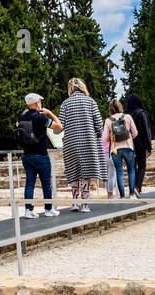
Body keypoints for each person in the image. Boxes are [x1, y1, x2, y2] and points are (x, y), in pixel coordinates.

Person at [58, 78, 107, 212]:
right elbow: (98, 124)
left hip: (71, 142)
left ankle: (74, 202)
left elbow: (61, 125)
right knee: (85, 172)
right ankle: (85, 204)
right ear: (82, 87)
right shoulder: (91, 102)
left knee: (73, 171)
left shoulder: (65, 104)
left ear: (70, 89)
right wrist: (97, 135)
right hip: (88, 142)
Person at [14, 93, 62, 218]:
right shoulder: (40, 118)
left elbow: (17, 125)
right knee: (46, 183)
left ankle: (28, 210)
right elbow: (59, 126)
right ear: (36, 103)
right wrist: (49, 113)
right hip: (41, 155)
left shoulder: (21, 118)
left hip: (27, 155)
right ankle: (48, 209)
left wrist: (25, 113)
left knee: (29, 183)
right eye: (40, 101)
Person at [103, 99, 140, 198]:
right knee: (131, 170)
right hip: (128, 147)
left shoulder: (108, 121)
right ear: (120, 107)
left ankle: (122, 196)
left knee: (119, 172)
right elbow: (135, 133)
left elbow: (104, 138)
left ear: (110, 109)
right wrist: (128, 136)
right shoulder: (127, 117)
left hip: (115, 150)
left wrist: (113, 136)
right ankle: (132, 194)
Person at [126, 93, 154, 195]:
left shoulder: (127, 115)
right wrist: (149, 147)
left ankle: (132, 190)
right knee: (142, 166)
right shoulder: (142, 113)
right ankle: (137, 188)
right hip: (141, 144)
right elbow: (147, 131)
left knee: (132, 168)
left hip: (130, 145)